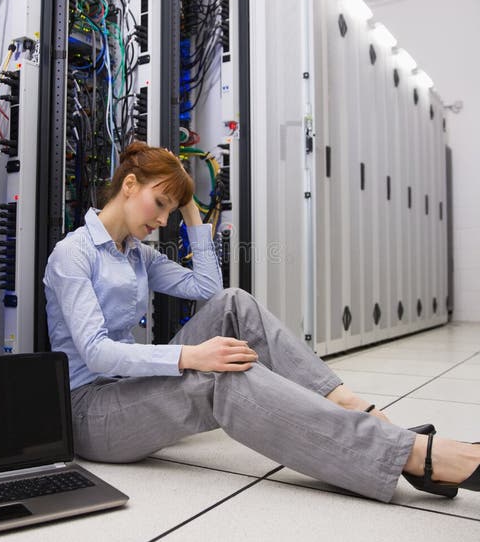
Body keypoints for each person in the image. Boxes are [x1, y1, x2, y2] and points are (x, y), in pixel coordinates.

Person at [44, 141, 480, 503]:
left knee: (235, 302)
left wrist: (192, 214)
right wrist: (193, 356)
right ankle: (409, 455)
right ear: (129, 184)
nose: (162, 220)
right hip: (89, 411)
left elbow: (208, 288)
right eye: (159, 204)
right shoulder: (73, 254)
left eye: (169, 210)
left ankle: (352, 405)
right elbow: (97, 354)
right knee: (223, 377)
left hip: (128, 388)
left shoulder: (135, 254)